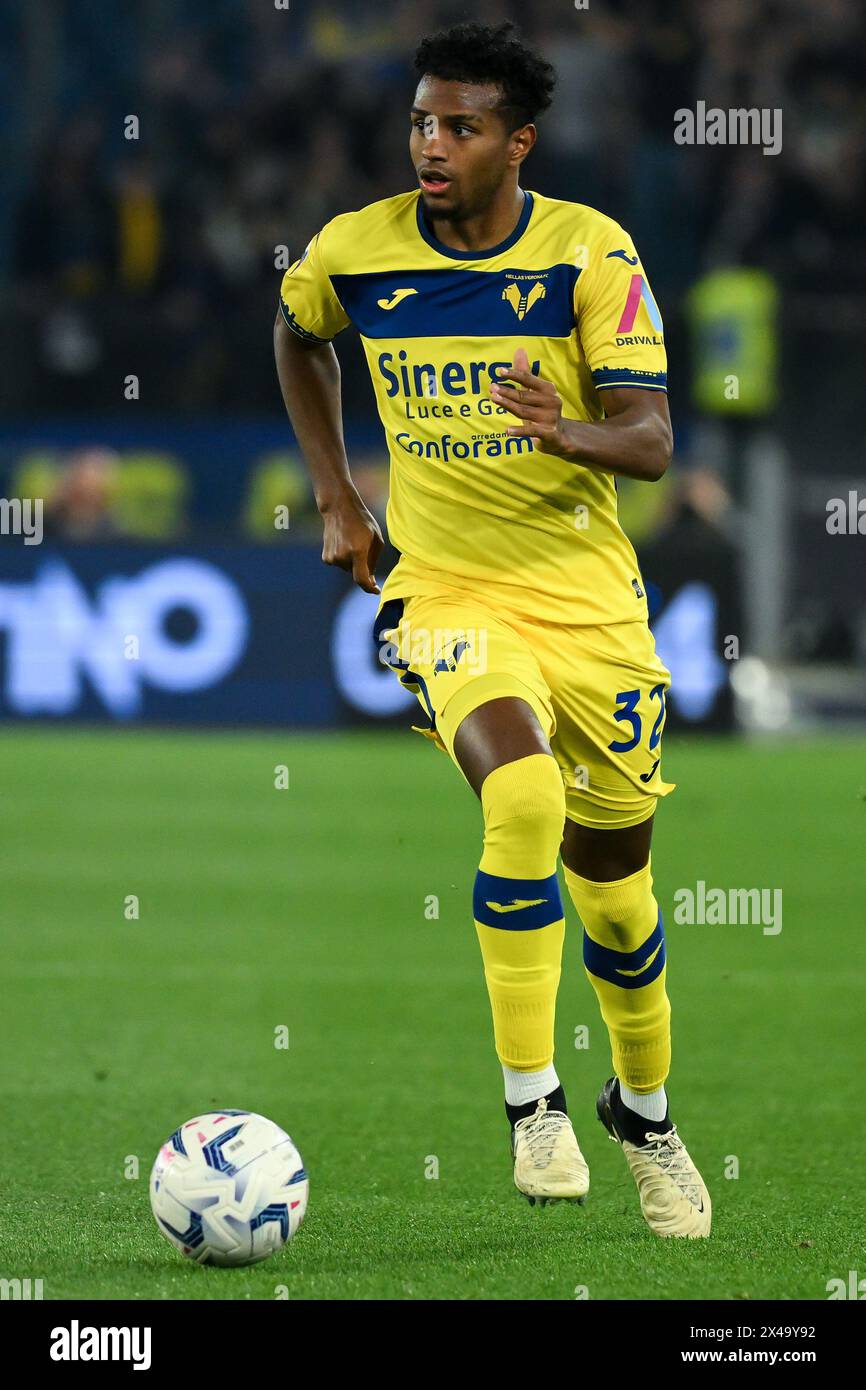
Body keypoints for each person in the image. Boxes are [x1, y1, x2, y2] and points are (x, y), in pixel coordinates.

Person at [274, 20, 710, 1237]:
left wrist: (560, 427)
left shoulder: (588, 253)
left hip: (588, 607)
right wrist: (338, 497)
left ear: (514, 143)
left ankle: (647, 1116)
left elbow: (653, 441)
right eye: (420, 120)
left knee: (615, 895)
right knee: (519, 797)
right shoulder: (354, 251)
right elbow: (297, 335)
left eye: (458, 127)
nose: (430, 143)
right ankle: (534, 1103)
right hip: (450, 594)